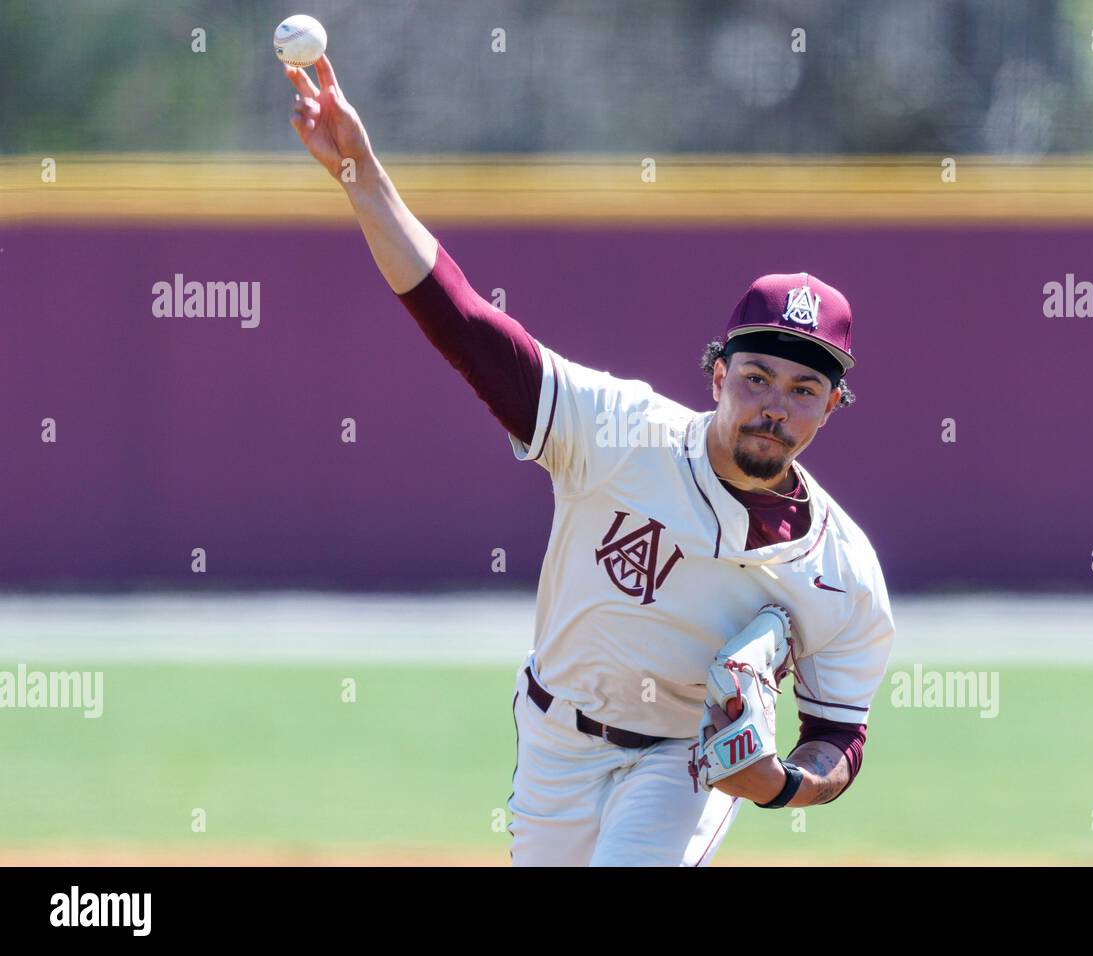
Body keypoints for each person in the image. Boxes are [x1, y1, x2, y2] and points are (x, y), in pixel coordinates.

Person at [284, 55, 896, 867]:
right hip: (553, 739)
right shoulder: (620, 432)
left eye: (803, 388)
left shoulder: (842, 570)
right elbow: (466, 325)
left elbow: (839, 737)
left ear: (832, 407)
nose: (774, 405)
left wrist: (780, 784)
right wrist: (361, 177)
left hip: (683, 764)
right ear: (716, 376)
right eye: (755, 378)